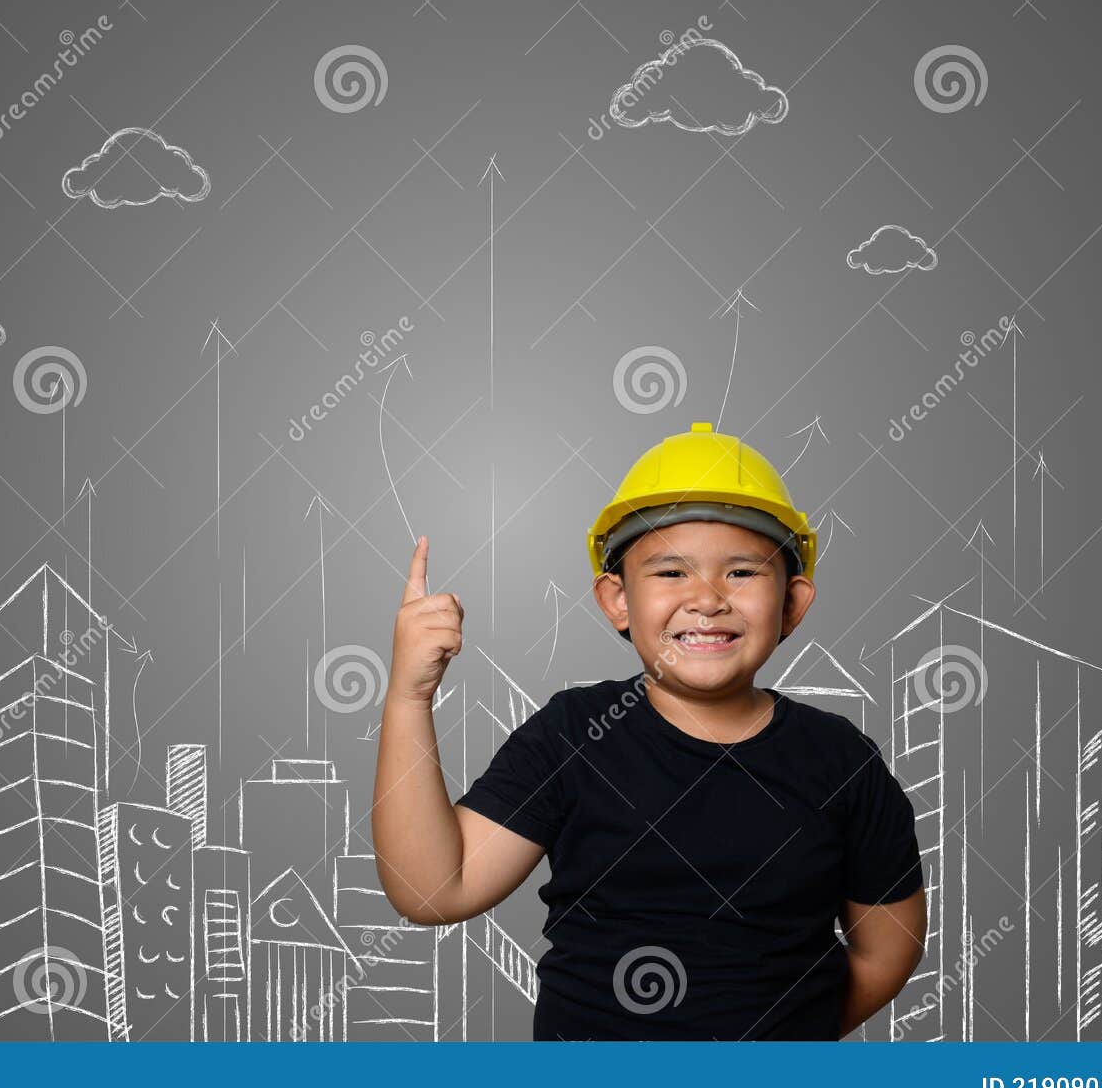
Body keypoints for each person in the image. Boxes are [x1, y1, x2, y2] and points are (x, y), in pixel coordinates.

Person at [373, 422, 926, 1040]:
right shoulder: (573, 736)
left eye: (742, 572)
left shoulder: (840, 760)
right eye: (670, 573)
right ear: (616, 600)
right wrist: (409, 695)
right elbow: (431, 890)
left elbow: (887, 952)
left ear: (792, 603)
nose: (708, 599)